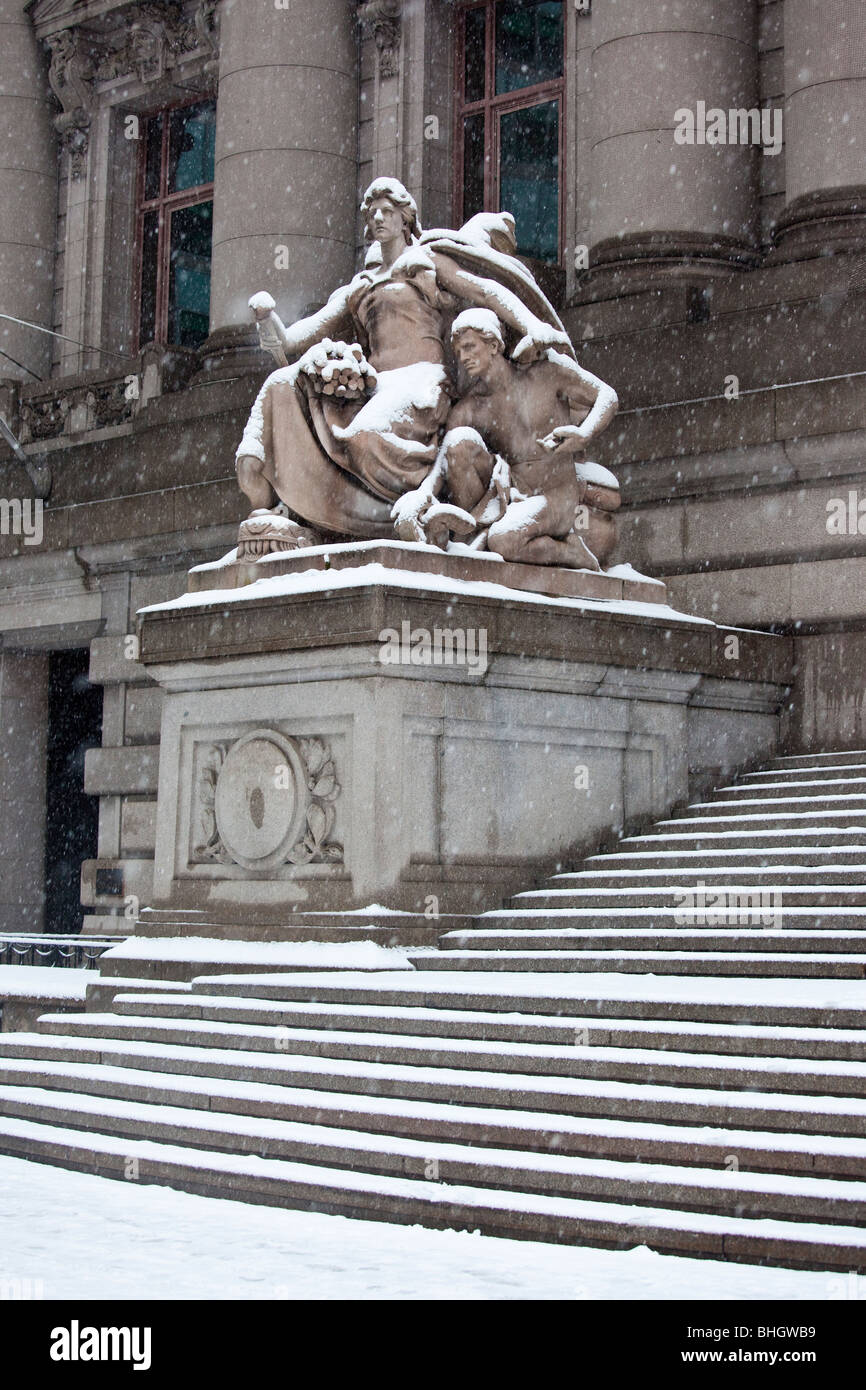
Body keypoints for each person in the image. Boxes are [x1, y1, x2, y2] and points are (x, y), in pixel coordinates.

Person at [235, 178, 573, 547]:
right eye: (373, 212)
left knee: (366, 436)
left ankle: (395, 518)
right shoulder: (361, 283)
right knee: (285, 382)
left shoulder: (426, 263)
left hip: (422, 381)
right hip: (375, 384)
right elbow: (301, 336)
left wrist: (533, 326)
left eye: (388, 211)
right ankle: (292, 506)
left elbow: (485, 291)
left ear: (405, 217)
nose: (379, 218)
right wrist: (273, 328)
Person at [391, 308, 620, 569]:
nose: (463, 358)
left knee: (504, 539)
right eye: (459, 352)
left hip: (556, 494)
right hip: (508, 493)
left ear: (493, 344)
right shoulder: (471, 407)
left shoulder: (547, 373)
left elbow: (607, 396)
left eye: (469, 347)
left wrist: (584, 434)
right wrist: (424, 493)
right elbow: (446, 458)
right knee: (458, 441)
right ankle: (472, 534)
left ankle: (572, 552)